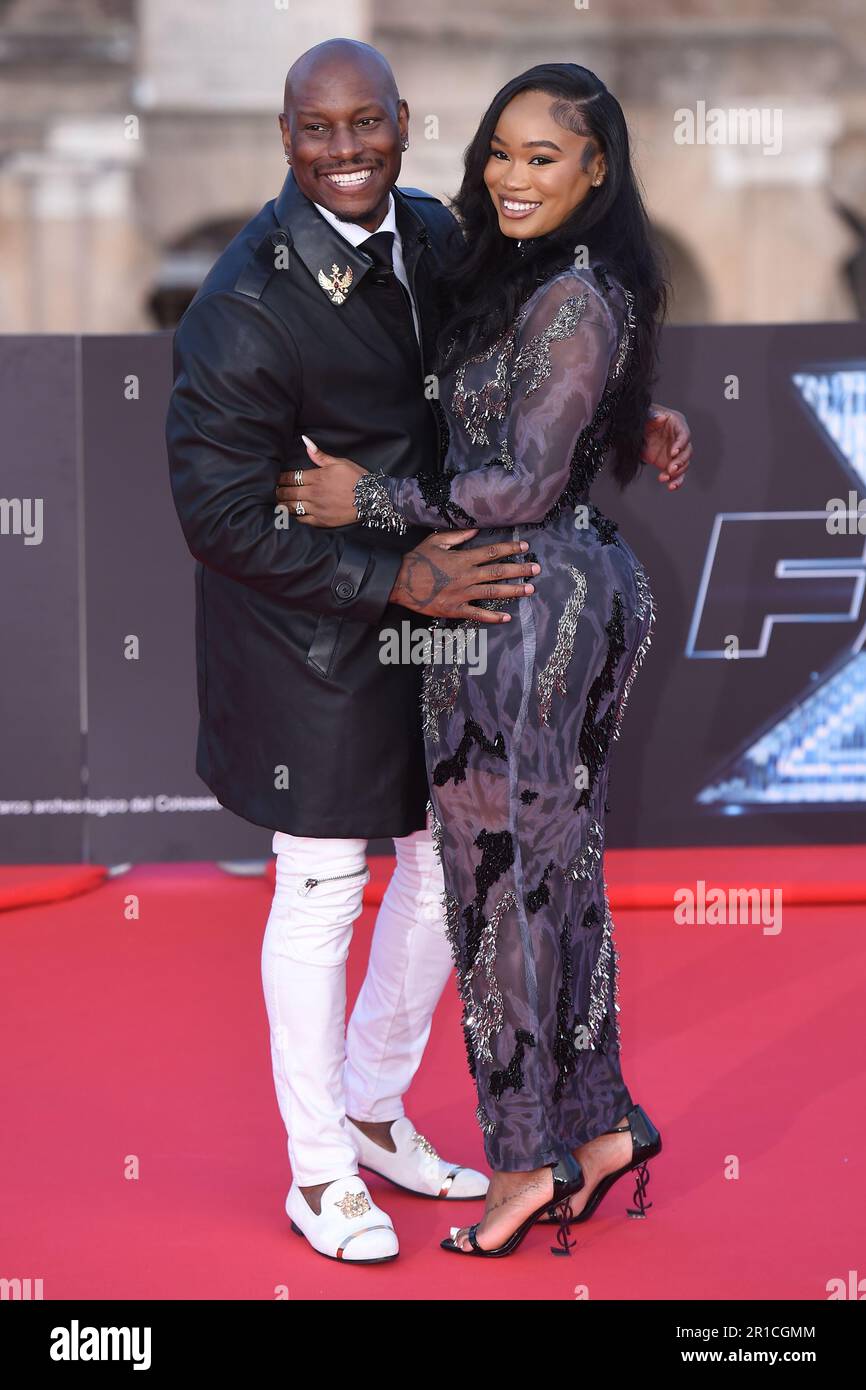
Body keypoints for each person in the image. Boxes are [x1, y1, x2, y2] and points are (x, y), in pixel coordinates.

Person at [167, 41, 688, 1265]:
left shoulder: (434, 233)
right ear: (284, 135)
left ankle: (370, 1101)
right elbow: (222, 518)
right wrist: (397, 569)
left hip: (449, 611)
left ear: (402, 123)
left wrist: (622, 413)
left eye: (365, 126)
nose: (342, 152)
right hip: (310, 633)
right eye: (314, 130)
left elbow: (522, 370)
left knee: (440, 870)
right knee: (320, 886)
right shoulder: (238, 305)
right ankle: (318, 1173)